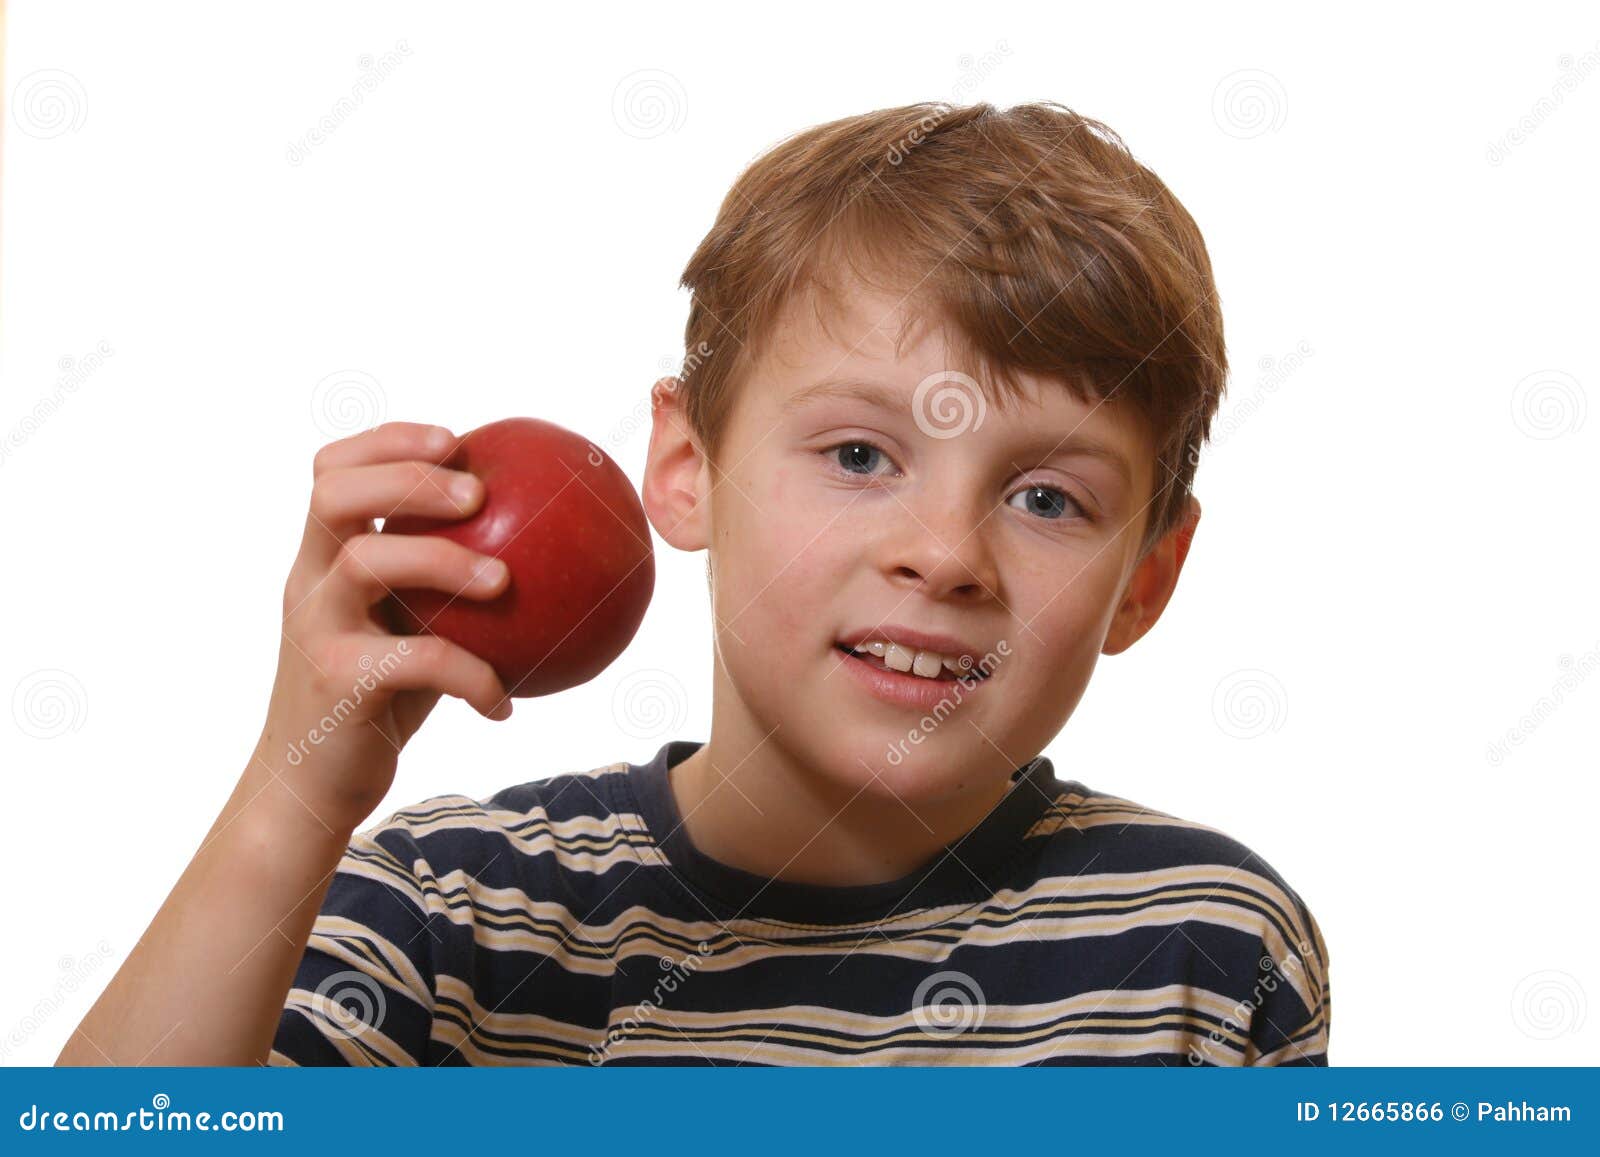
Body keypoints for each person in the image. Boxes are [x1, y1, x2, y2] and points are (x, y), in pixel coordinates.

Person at [59, 100, 1329, 1067]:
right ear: (686, 467)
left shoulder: (1200, 948)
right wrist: (296, 791)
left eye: (1047, 497)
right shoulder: (452, 910)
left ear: (1145, 579)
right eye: (857, 453)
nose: (945, 553)